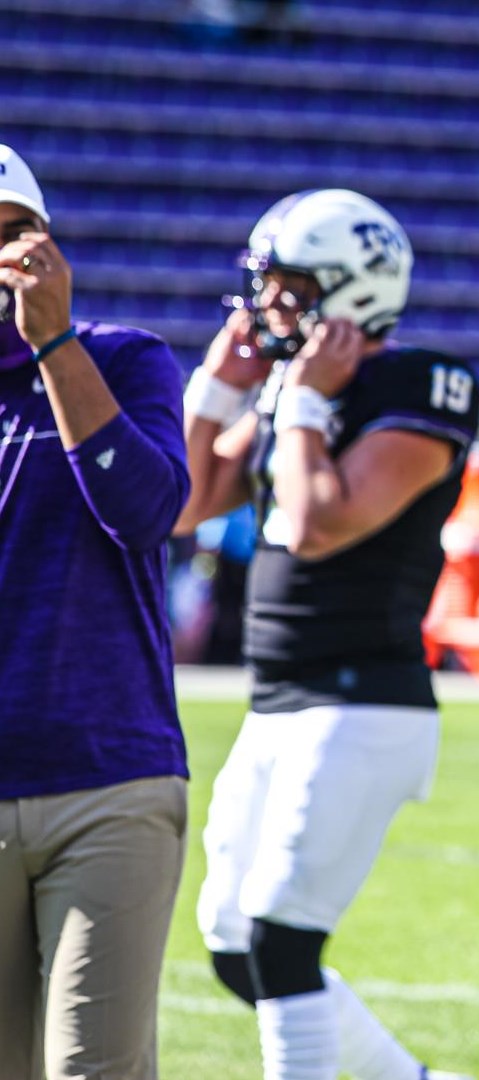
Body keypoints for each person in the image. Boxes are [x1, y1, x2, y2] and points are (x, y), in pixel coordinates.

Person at [173, 188, 478, 1080]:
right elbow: (184, 502)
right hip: (278, 701)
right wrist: (217, 390)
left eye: (292, 288)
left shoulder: (420, 383)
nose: (269, 305)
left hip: (363, 702)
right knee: (234, 943)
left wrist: (303, 403)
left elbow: (318, 524)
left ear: (356, 290)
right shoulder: (288, 388)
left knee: (281, 941)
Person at [0, 144, 191, 1080]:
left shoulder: (124, 358)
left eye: (15, 232)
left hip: (111, 774)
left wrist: (53, 346)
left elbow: (146, 512)